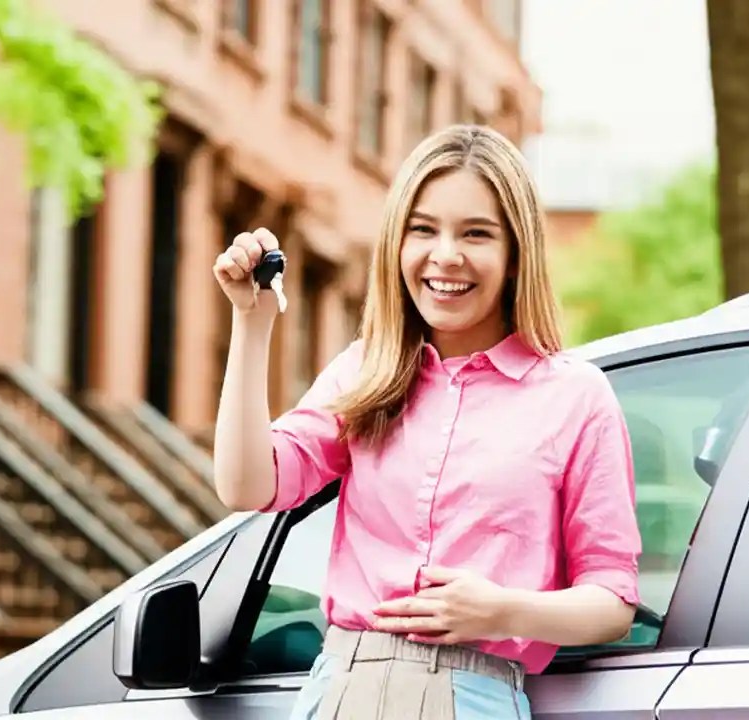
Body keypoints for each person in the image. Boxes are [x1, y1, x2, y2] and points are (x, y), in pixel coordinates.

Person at [213, 125, 640, 720]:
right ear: (397, 243)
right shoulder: (368, 368)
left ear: (516, 255)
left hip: (476, 694)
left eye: (476, 234)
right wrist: (252, 324)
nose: (445, 255)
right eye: (423, 229)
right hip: (342, 688)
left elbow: (613, 600)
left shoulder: (575, 397)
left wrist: (501, 610)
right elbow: (247, 486)